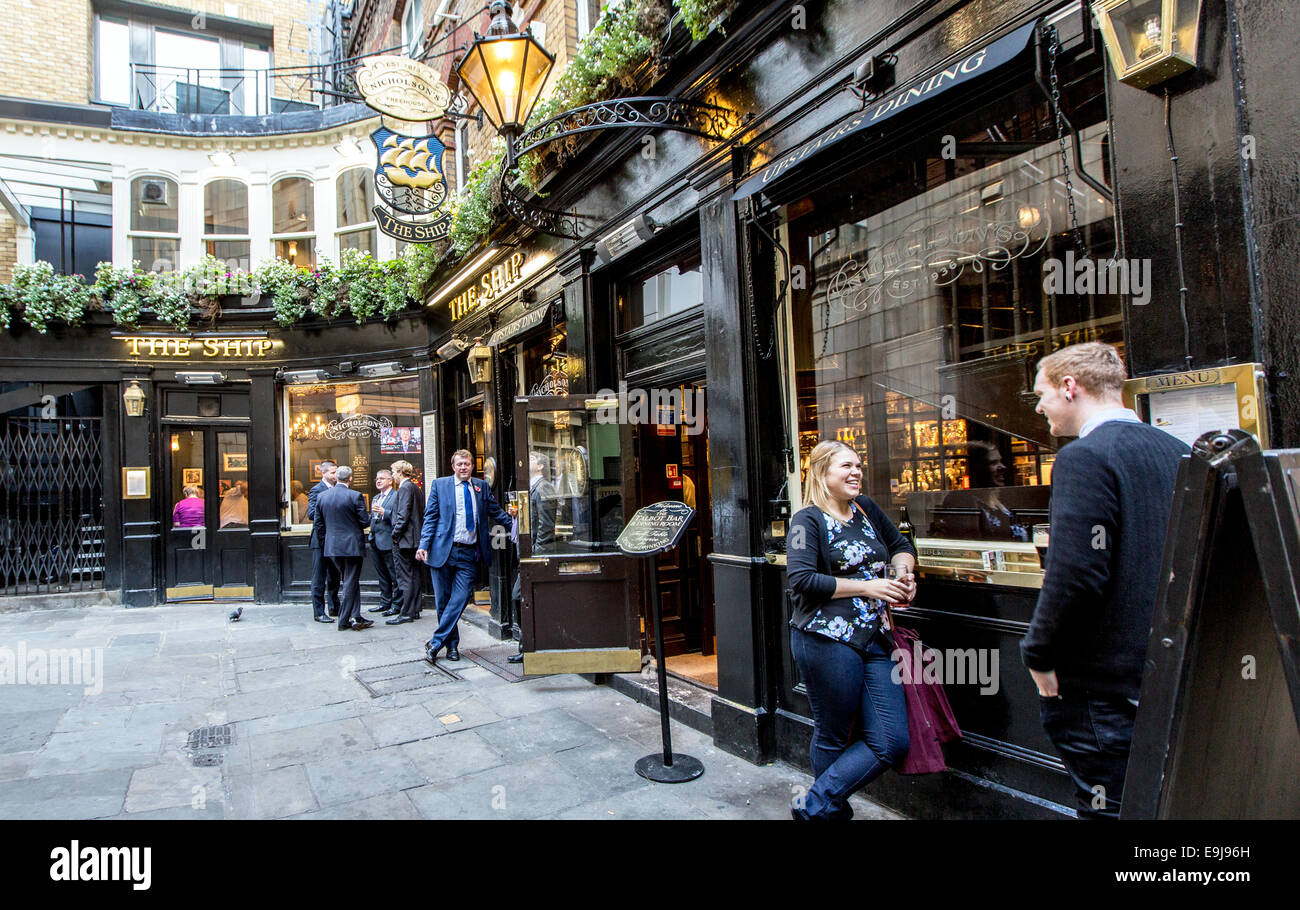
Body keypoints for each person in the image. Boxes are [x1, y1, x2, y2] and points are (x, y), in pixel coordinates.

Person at [1021, 341, 1189, 820]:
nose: (1039, 406)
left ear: (1070, 387)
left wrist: (1038, 652)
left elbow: (1076, 575)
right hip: (1168, 675)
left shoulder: (1083, 458)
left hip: (1102, 691)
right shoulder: (1178, 451)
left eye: (1042, 394)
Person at [786, 439, 917, 820]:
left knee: (892, 741)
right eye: (846, 466)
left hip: (875, 637)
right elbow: (801, 579)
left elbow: (900, 545)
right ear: (822, 473)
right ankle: (830, 813)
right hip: (827, 640)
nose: (856, 471)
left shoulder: (866, 509)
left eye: (858, 465)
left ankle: (813, 806)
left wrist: (903, 573)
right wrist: (868, 586)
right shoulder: (805, 520)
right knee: (832, 733)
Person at [416, 449, 513, 663]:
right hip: (442, 551)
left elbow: (496, 512)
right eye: (459, 464)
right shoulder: (440, 485)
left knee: (458, 601)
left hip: (468, 553)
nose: (463, 467)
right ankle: (452, 646)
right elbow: (431, 517)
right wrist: (423, 545)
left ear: (471, 466)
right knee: (443, 602)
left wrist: (516, 527)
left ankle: (435, 642)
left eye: (467, 464)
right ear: (453, 466)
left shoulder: (481, 486)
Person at [507, 452, 556, 664]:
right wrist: (516, 515)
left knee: (520, 597)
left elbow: (546, 526)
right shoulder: (529, 487)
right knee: (522, 598)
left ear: (541, 466)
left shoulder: (543, 487)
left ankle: (530, 646)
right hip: (524, 551)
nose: (527, 460)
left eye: (532, 458)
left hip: (535, 554)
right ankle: (528, 646)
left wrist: (535, 552)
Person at [316, 464, 373, 632]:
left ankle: (356, 615)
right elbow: (364, 521)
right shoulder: (355, 496)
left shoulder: (322, 496)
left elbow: (319, 525)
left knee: (348, 580)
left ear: (336, 478)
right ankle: (344, 619)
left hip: (332, 546)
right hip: (352, 546)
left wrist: (325, 542)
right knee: (350, 581)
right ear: (350, 478)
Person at [386, 460, 426, 625]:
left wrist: (395, 534)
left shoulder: (404, 488)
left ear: (400, 472)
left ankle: (406, 613)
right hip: (414, 539)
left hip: (404, 540)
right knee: (414, 575)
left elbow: (403, 515)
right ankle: (414, 609)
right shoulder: (415, 487)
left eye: (394, 472)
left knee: (405, 577)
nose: (393, 476)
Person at [307, 460, 342, 624]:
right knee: (319, 578)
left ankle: (334, 607)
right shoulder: (316, 490)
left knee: (334, 577)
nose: (335, 475)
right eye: (332, 472)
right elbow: (312, 514)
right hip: (320, 540)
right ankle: (319, 612)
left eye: (336, 472)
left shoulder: (338, 489)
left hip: (335, 539)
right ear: (324, 473)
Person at [366, 469, 398, 616]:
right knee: (382, 574)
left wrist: (384, 512)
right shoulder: (376, 497)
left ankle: (396, 605)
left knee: (394, 575)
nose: (378, 481)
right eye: (377, 479)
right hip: (374, 541)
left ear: (390, 480)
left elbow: (399, 517)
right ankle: (384, 602)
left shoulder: (396, 496)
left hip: (388, 541)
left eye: (382, 478)